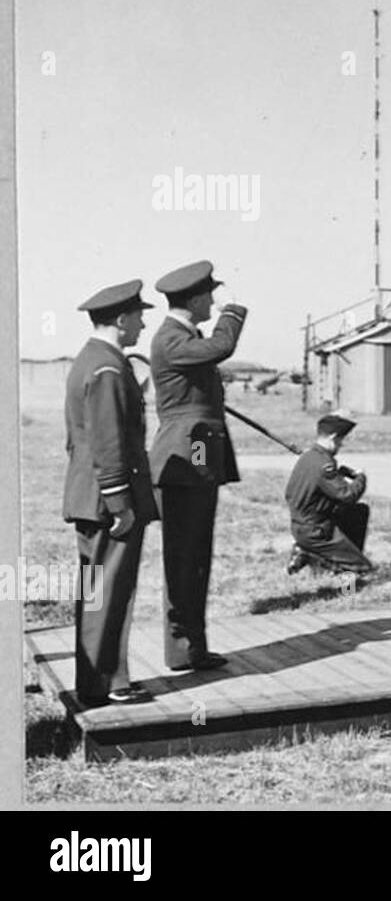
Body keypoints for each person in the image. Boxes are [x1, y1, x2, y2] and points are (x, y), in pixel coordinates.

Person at [63, 280, 158, 706]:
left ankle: (107, 679)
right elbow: (108, 444)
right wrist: (121, 504)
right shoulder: (107, 367)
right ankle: (104, 685)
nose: (142, 323)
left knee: (97, 590)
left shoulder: (93, 360)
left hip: (92, 496)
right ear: (121, 320)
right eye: (139, 316)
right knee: (107, 591)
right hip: (109, 502)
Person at [150, 260, 246, 671]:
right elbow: (222, 347)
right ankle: (183, 648)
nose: (214, 300)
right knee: (186, 553)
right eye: (209, 295)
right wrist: (233, 309)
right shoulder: (172, 338)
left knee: (195, 553)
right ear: (194, 299)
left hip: (199, 456)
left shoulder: (183, 335)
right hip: (190, 459)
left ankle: (191, 647)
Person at [286, 414, 373, 575]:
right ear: (332, 438)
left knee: (358, 511)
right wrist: (360, 478)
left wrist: (339, 474)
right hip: (317, 531)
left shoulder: (309, 457)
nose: (341, 445)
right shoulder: (324, 465)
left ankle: (321, 556)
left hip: (302, 525)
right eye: (340, 441)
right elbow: (348, 495)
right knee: (360, 568)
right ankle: (347, 594)